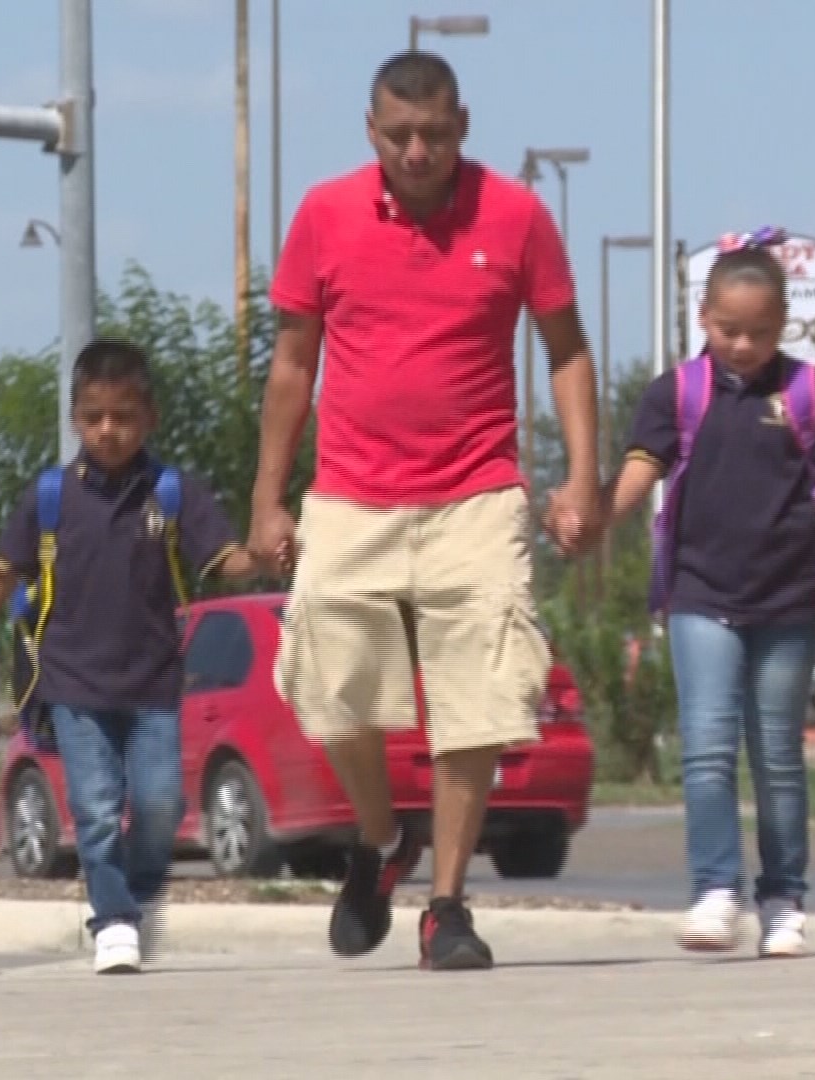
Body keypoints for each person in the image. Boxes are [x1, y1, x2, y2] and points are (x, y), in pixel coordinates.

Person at [250, 50, 602, 972]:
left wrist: (583, 479)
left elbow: (567, 351)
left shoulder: (516, 216)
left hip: (478, 493)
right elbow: (292, 365)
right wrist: (268, 501)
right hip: (352, 494)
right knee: (330, 673)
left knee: (477, 692)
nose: (417, 151)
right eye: (400, 134)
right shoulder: (324, 216)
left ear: (463, 126)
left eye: (435, 134)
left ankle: (446, 905)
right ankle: (379, 842)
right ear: (371, 133)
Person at [568, 227, 815, 957]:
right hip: (701, 596)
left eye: (760, 332)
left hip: (789, 600)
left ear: (785, 325)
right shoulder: (678, 392)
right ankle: (715, 890)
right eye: (729, 330)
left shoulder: (813, 394)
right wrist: (594, 511)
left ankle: (784, 900)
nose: (742, 345)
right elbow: (641, 473)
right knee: (705, 750)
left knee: (775, 753)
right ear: (703, 319)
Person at [0, 338, 257, 975]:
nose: (107, 432)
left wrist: (267, 554)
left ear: (150, 418)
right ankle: (113, 921)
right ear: (75, 419)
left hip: (154, 682)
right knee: (96, 809)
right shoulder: (50, 498)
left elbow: (228, 562)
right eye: (93, 418)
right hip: (74, 683)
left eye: (122, 418)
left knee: (160, 805)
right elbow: (0, 575)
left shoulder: (173, 492)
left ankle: (127, 895)